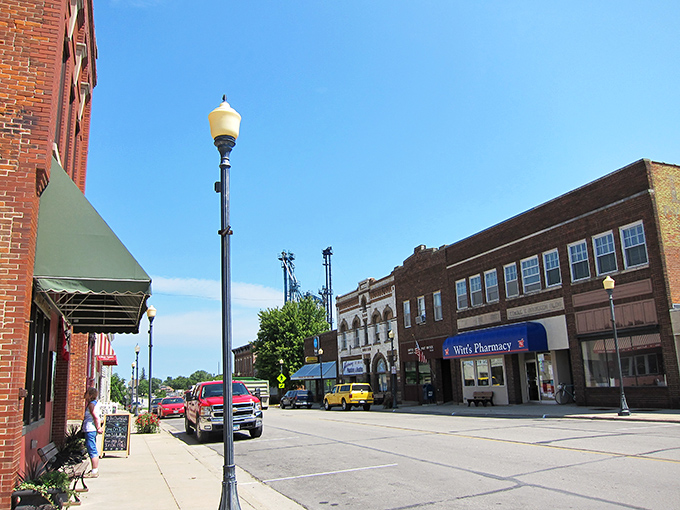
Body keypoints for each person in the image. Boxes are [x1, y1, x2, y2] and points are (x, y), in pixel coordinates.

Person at [82, 387, 103, 477]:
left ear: (90, 395)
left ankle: (94, 471)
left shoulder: (91, 405)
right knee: (91, 447)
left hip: (90, 429)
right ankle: (94, 469)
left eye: (86, 393)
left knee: (92, 449)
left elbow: (95, 416)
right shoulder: (95, 403)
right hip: (91, 429)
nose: (85, 394)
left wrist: (98, 427)